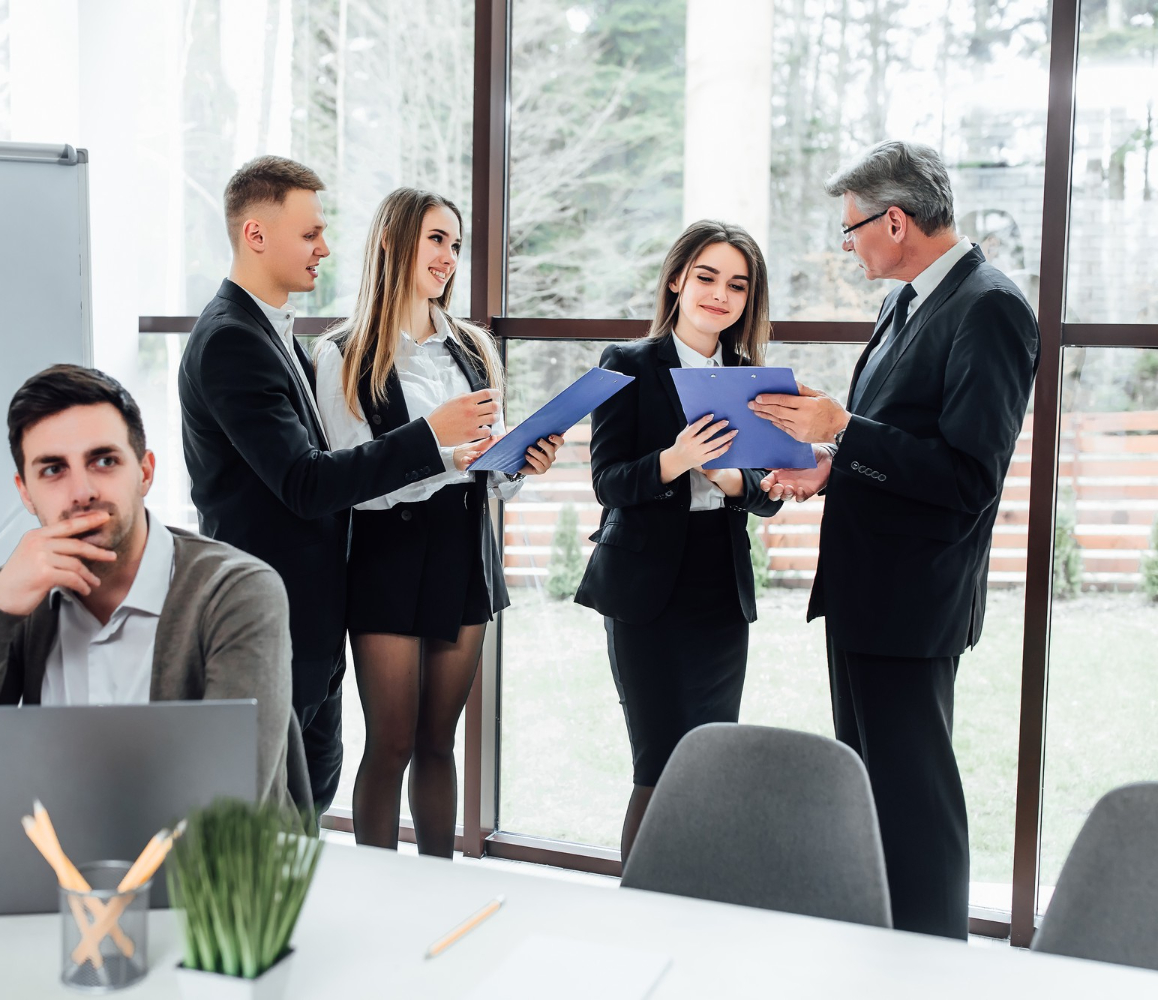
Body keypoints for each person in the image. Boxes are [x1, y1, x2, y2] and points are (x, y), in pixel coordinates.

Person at [750, 140, 1039, 939]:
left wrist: (843, 428)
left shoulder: (990, 307)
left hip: (915, 602)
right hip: (864, 590)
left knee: (916, 805)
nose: (848, 245)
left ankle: (932, 965)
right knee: (871, 792)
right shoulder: (904, 301)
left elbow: (967, 479)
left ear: (898, 220)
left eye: (853, 229)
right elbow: (894, 442)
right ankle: (882, 956)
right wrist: (829, 463)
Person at [178, 156, 501, 817]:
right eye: (310, 234)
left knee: (308, 803)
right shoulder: (232, 342)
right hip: (274, 612)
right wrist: (433, 438)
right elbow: (305, 481)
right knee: (277, 815)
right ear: (256, 235)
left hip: (314, 615)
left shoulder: (273, 336)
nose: (326, 247)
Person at [0, 364, 310, 816]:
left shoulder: (237, 591)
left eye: (104, 461)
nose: (82, 492)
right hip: (66, 874)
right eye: (53, 470)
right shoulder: (14, 593)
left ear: (144, 472)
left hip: (214, 880)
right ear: (25, 493)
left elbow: (227, 807)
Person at [313, 188, 563, 857]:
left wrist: (520, 464)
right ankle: (376, 887)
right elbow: (352, 483)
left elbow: (493, 474)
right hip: (388, 555)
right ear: (393, 243)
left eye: (456, 244)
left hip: (463, 550)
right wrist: (441, 450)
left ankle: (439, 884)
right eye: (437, 240)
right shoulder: (345, 354)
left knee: (437, 742)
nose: (450, 257)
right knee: (390, 743)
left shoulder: (474, 350)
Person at [574, 220, 783, 864]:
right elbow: (609, 482)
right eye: (707, 277)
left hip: (719, 589)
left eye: (737, 285)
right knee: (659, 764)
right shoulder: (628, 365)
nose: (720, 295)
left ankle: (705, 909)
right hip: (646, 592)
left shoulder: (753, 378)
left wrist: (731, 480)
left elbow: (769, 491)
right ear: (677, 280)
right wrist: (674, 459)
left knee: (714, 761)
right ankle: (638, 913)